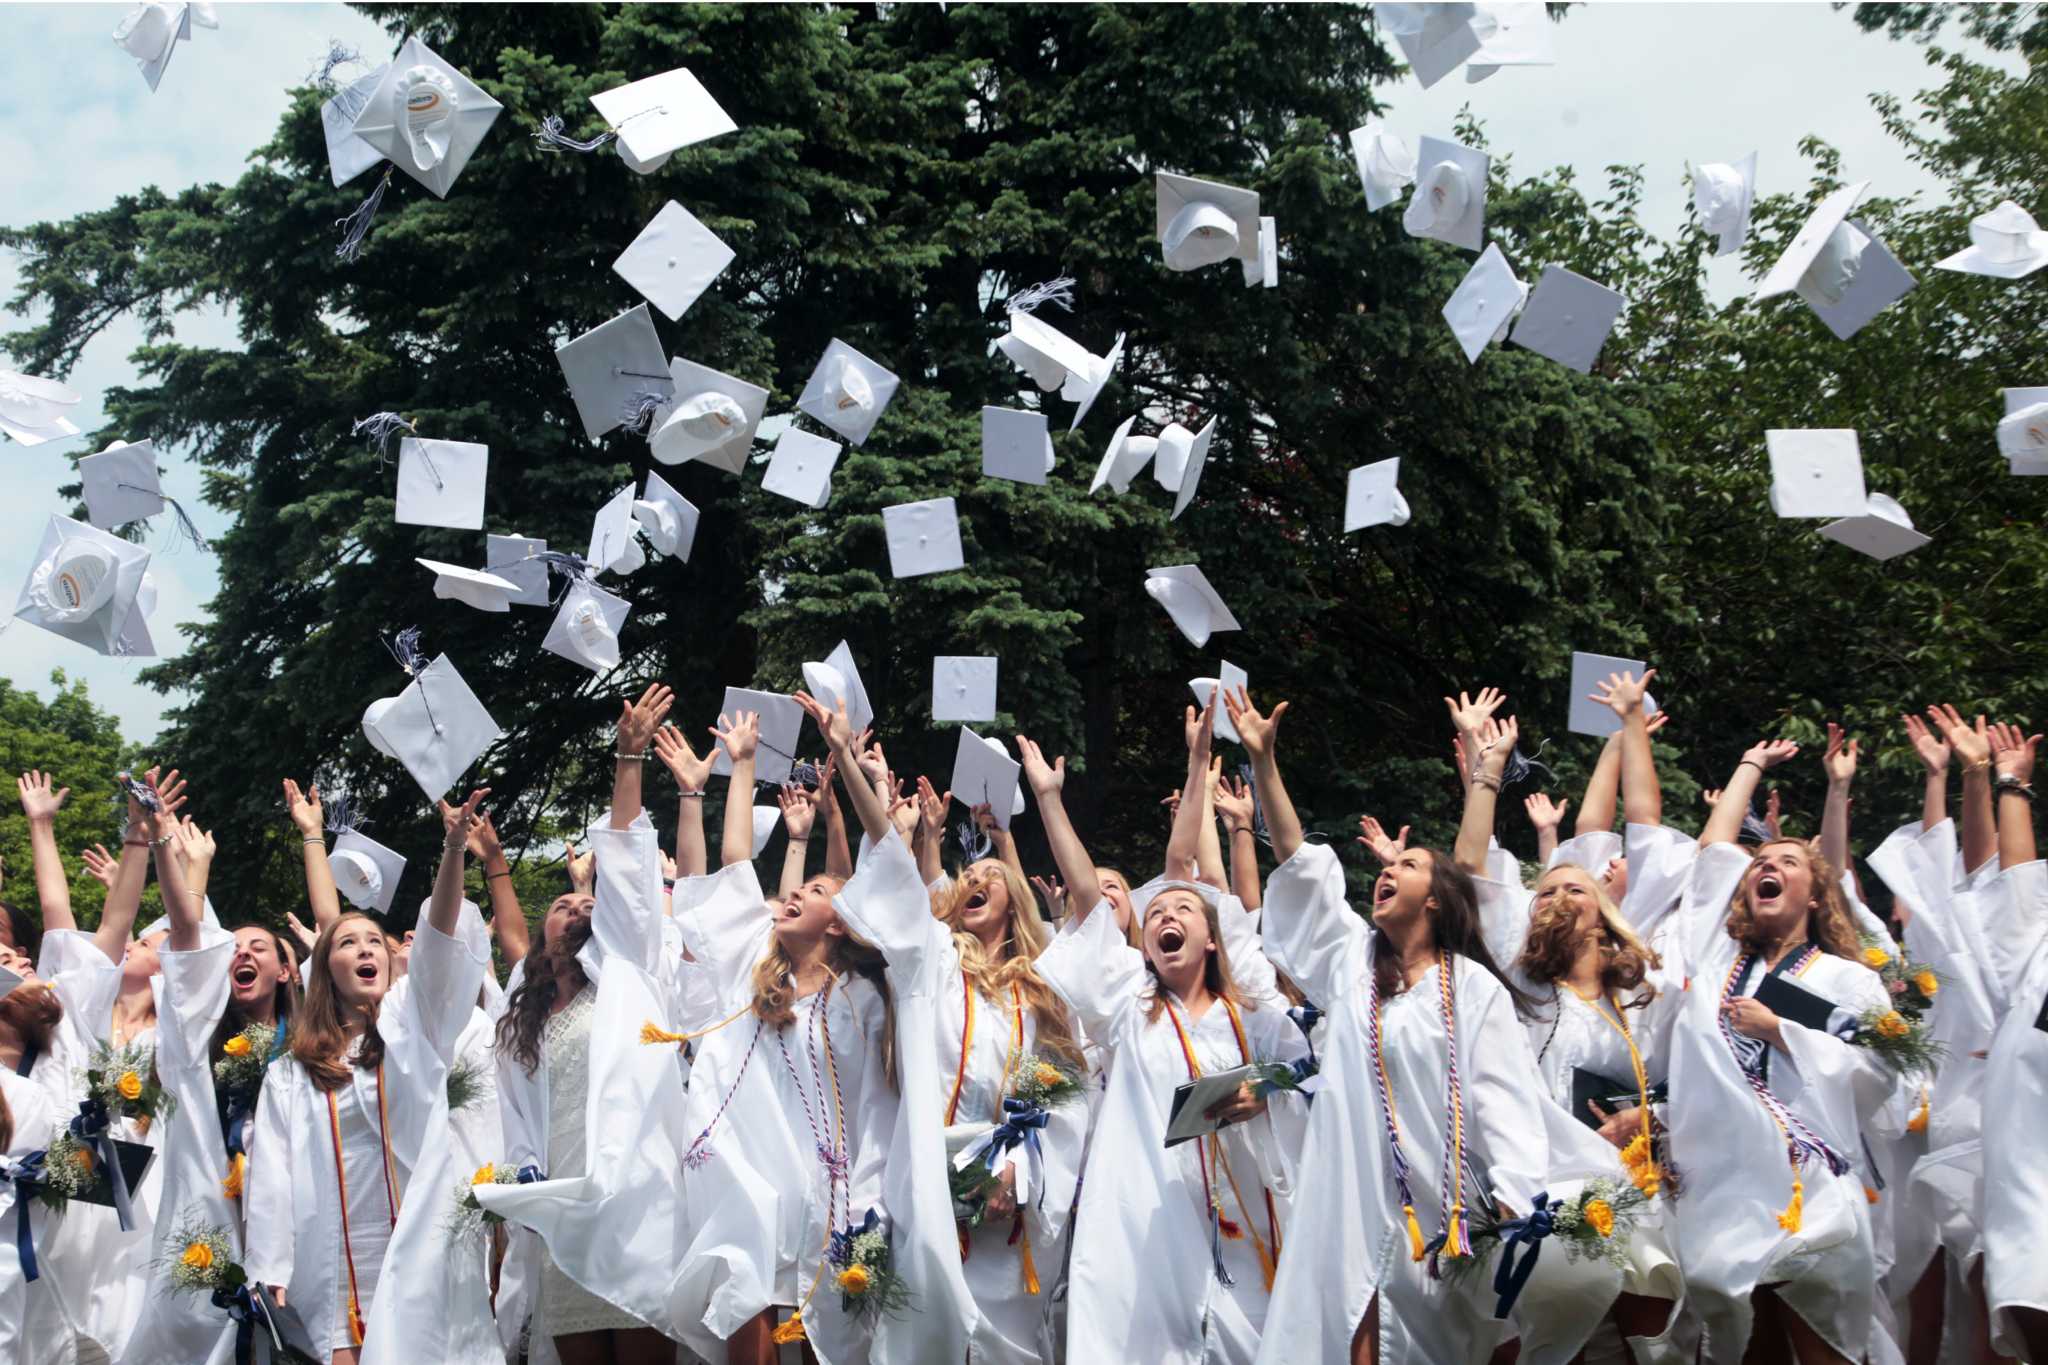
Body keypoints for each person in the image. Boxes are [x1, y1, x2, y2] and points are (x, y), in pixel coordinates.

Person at [1241, 688, 1548, 1365]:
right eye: (1385, 866)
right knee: (1354, 1331)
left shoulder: (1470, 987)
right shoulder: (1350, 960)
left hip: (1446, 1207)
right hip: (1349, 1194)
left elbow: (1501, 1096)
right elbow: (1298, 864)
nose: (1387, 870)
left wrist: (1516, 1194)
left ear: (1436, 898)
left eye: (1406, 865)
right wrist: (1264, 762)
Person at [1034, 694, 1309, 1365]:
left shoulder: (1254, 1010)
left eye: (1183, 907)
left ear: (1212, 939)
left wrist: (1267, 1092)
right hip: (1148, 1222)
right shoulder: (1129, 997)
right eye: (1156, 912)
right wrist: (1047, 799)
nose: (1166, 913)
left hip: (1245, 1213)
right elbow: (1084, 894)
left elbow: (1306, 1070)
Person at [1454, 681, 1685, 1363]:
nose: (1554, 896)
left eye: (1572, 888)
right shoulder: (1520, 985)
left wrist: (1649, 1118)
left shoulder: (1644, 999)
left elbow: (1692, 1081)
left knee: (1647, 1320)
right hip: (1536, 1184)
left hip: (1628, 1185)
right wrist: (1485, 766)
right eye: (1543, 889)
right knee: (1545, 1336)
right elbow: (1470, 868)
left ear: (1606, 912)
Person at [1663, 737, 1893, 1364]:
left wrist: (1782, 1030)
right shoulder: (1714, 962)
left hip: (1809, 1185)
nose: (1770, 865)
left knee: (1822, 1340)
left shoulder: (1849, 980)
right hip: (1724, 1186)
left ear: (1816, 895)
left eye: (1789, 860)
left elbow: (1879, 1075)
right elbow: (1712, 854)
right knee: (1747, 1347)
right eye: (1762, 859)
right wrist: (1750, 765)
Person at [244, 788, 493, 1364]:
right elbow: (272, 1176)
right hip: (328, 1254)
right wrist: (268, 1268)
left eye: (374, 942)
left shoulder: (414, 1026)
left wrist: (453, 847)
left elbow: (436, 941)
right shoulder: (290, 1073)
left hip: (417, 1246)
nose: (365, 949)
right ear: (324, 969)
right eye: (347, 942)